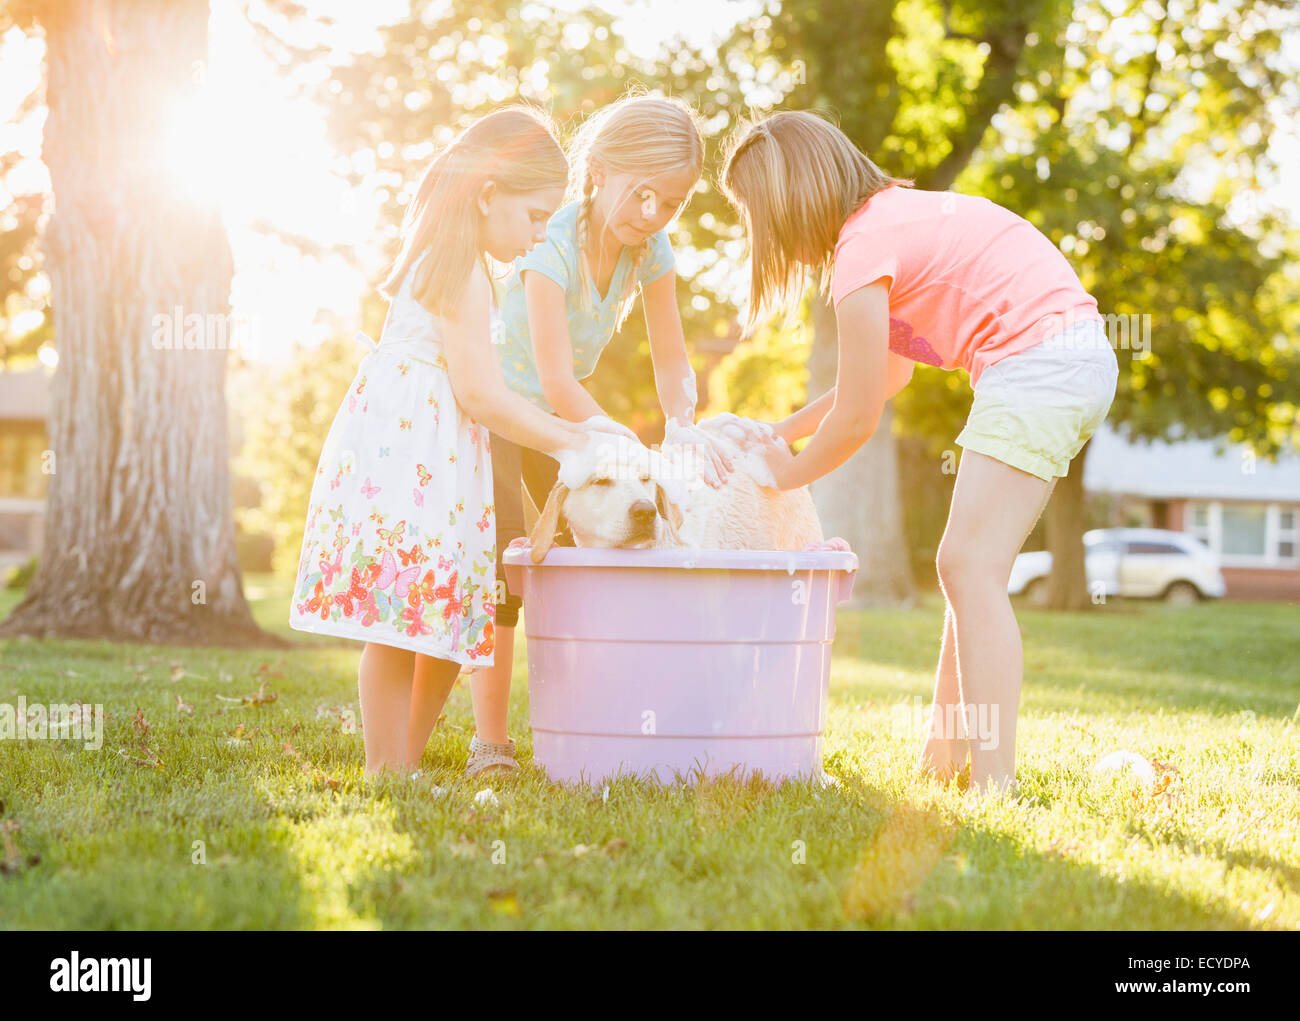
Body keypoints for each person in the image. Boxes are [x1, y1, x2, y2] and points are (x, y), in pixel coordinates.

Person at [721, 110, 1119, 794]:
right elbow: (884, 378)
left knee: (967, 566)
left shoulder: (860, 251)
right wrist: (780, 431)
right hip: (1065, 358)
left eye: (757, 215)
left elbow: (856, 416)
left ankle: (995, 782)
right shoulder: (892, 222)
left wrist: (782, 476)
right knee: (969, 568)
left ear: (788, 205)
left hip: (1040, 363)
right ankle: (946, 761)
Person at [289, 106, 616, 778]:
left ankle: (402, 768)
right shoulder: (457, 266)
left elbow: (481, 390)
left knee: (444, 613)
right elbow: (481, 395)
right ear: (489, 192)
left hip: (438, 456)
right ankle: (388, 770)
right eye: (532, 216)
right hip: (413, 461)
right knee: (401, 616)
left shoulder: (466, 266)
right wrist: (569, 441)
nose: (537, 236)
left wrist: (569, 432)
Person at [475, 93, 760, 774]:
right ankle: (490, 740)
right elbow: (555, 381)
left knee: (596, 562)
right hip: (503, 418)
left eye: (670, 203)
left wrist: (682, 425)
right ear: (598, 171)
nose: (652, 215)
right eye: (642, 196)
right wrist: (615, 442)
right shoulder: (549, 251)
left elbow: (671, 358)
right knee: (509, 569)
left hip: (564, 430)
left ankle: (597, 712)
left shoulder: (651, 248)